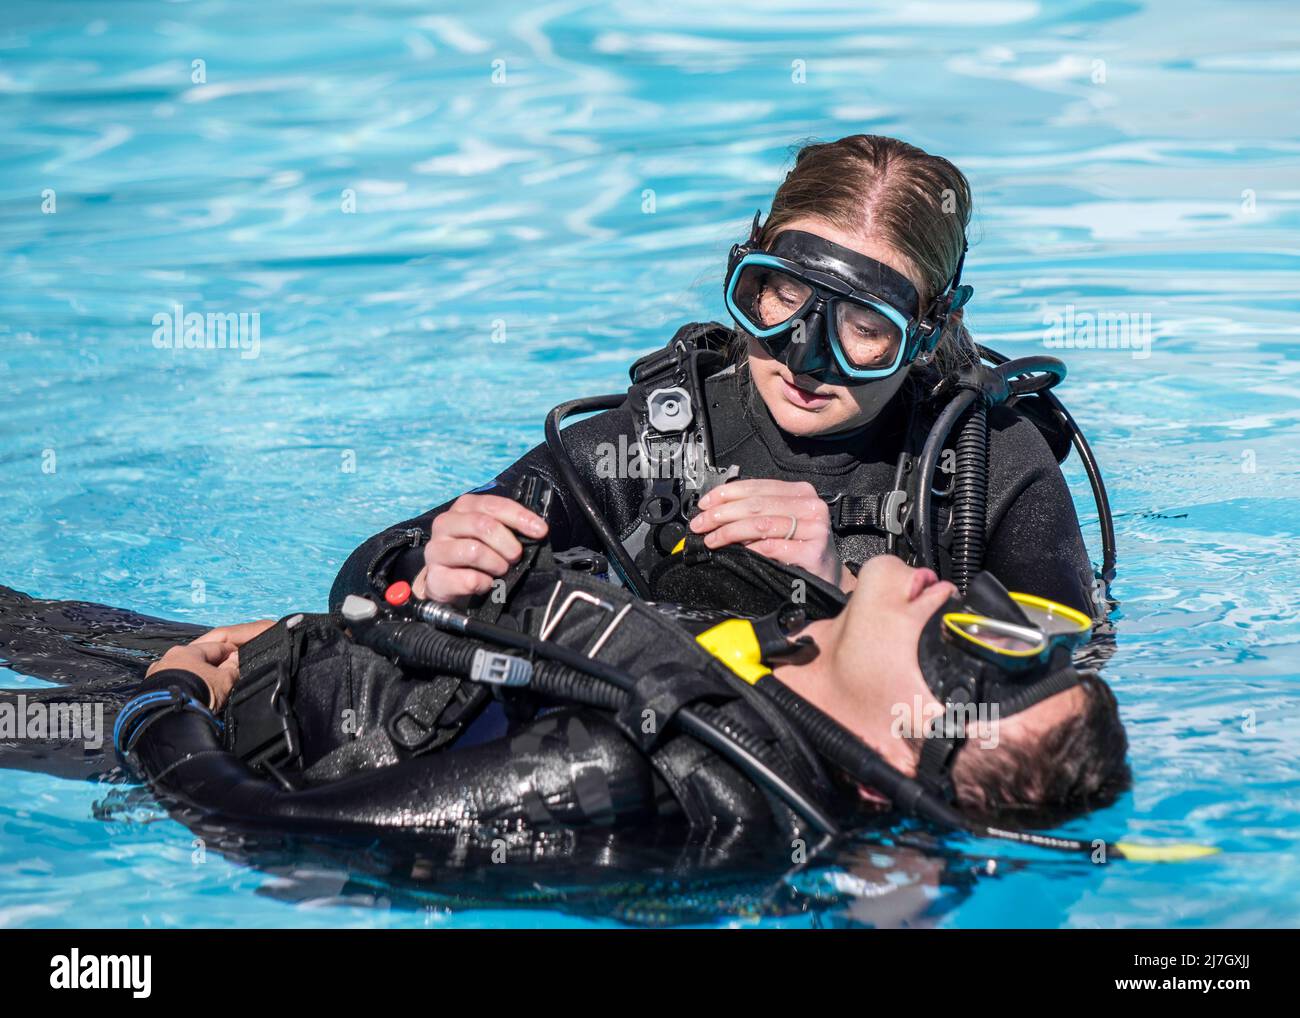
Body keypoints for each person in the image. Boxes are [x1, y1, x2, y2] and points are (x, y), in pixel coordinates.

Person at [331, 134, 1102, 620]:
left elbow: (1066, 699)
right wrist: (428, 570)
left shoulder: (987, 469)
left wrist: (848, 590)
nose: (805, 360)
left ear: (930, 331)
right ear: (746, 275)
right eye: (782, 301)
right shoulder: (651, 443)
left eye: (866, 331)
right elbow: (367, 577)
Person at [98, 551, 1128, 840]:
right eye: (1033, 645)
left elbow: (272, 825)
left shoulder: (627, 774)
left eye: (984, 672)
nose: (982, 615)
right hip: (279, 652)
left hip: (205, 725)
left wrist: (171, 697)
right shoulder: (780, 653)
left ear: (898, 762)